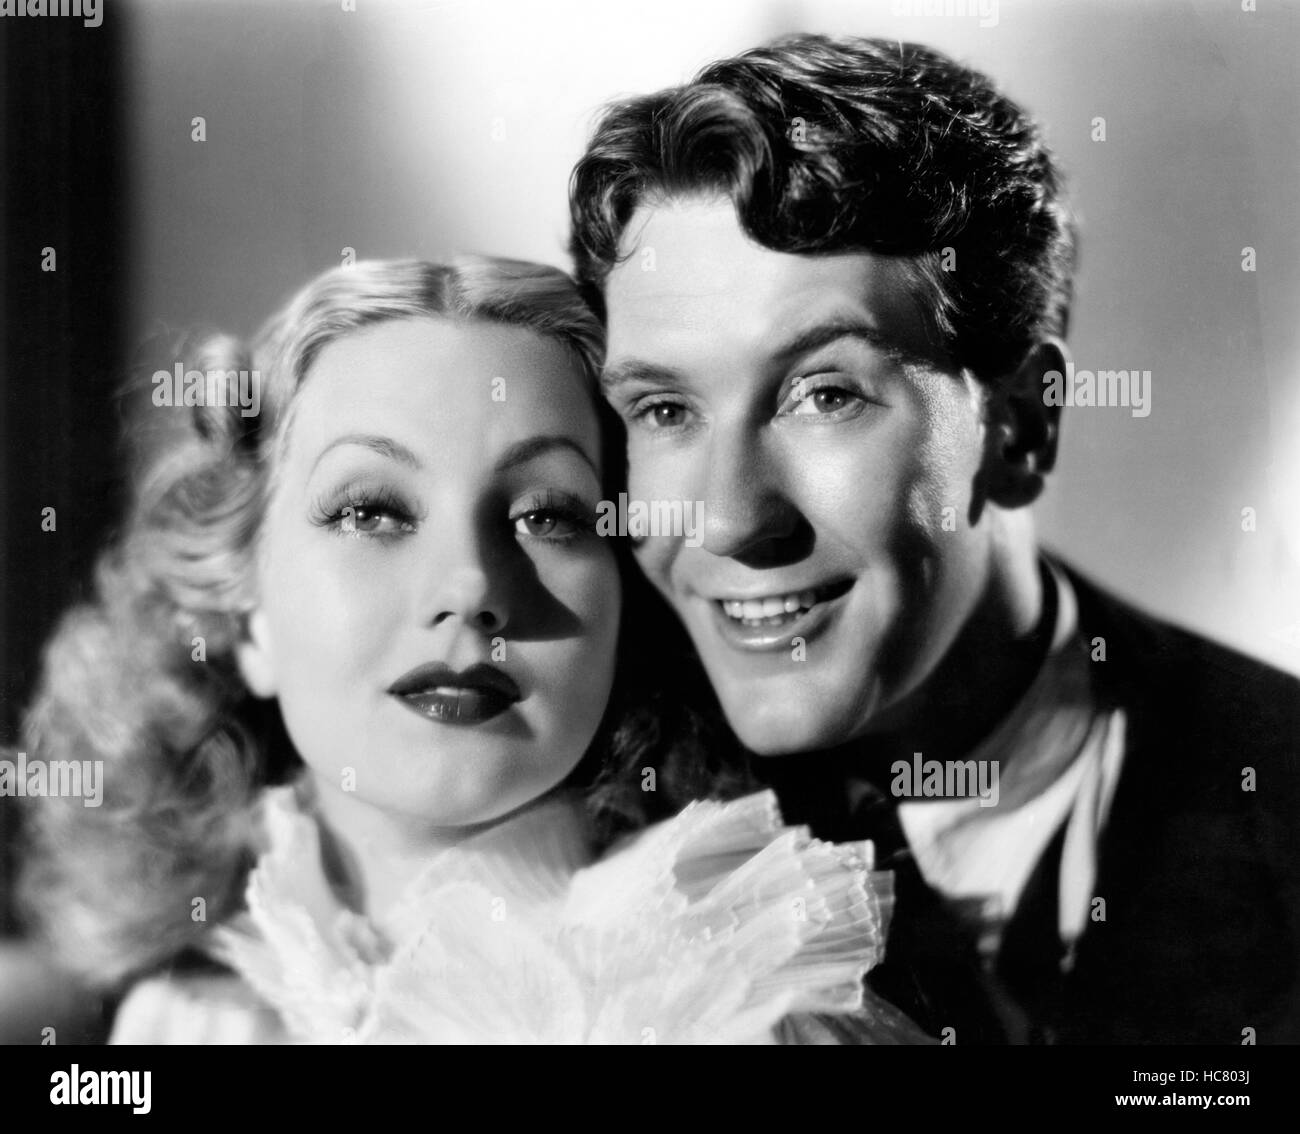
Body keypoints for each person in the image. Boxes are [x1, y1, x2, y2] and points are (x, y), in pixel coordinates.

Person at [568, 33, 1300, 1044]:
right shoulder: (568, 811)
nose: (729, 517)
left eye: (824, 394)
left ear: (1021, 427)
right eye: (664, 410)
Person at [15, 256, 924, 1044]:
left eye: (547, 515)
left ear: (626, 604)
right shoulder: (179, 1020)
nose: (472, 587)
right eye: (370, 510)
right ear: (246, 619)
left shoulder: (717, 998)